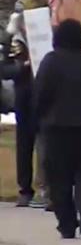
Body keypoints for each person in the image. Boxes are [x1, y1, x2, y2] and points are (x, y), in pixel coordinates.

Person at [32, 18, 81, 239]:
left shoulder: (51, 61)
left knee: (59, 178)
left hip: (57, 127)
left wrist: (38, 117)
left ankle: (66, 223)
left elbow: (41, 94)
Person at [1, 37, 36, 207]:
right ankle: (25, 189)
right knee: (24, 148)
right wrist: (22, 67)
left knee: (48, 151)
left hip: (47, 101)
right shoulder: (13, 42)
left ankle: (50, 190)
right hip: (24, 102)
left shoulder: (48, 34)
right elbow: (4, 70)